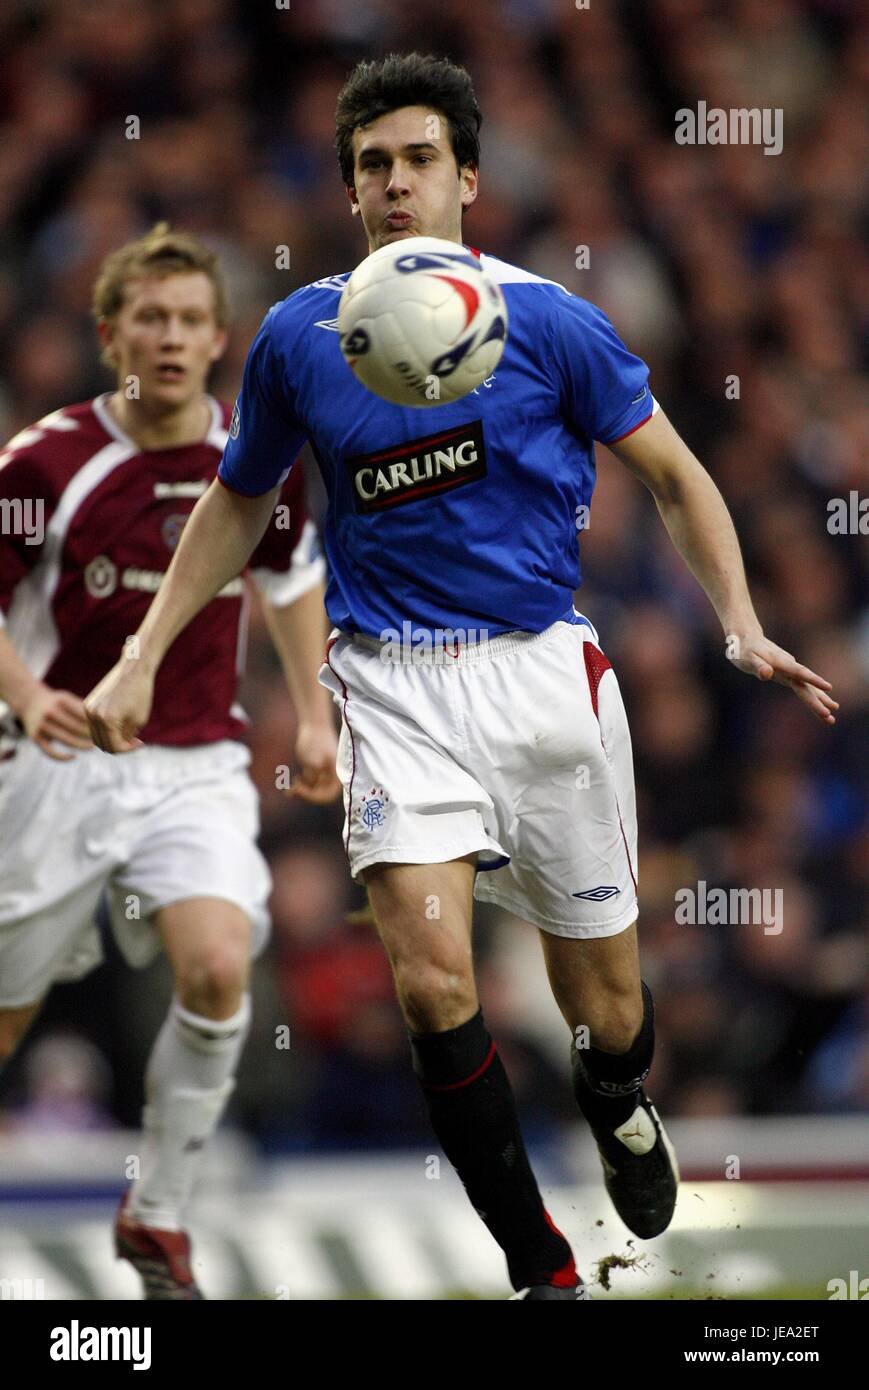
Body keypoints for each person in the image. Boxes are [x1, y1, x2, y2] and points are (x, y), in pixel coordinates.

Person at [84, 57, 838, 1301]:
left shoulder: (547, 320)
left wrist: (739, 623)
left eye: (417, 159)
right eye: (372, 165)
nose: (393, 184)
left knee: (604, 1003)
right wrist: (139, 652)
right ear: (350, 193)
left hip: (544, 680)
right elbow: (235, 504)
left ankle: (612, 1091)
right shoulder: (297, 339)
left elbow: (675, 474)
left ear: (466, 180)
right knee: (429, 979)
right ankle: (539, 1267)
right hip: (393, 686)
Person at [0, 223, 340, 1299]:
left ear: (219, 337)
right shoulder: (45, 461)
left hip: (193, 760)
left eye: (192, 319)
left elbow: (287, 577)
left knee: (217, 965)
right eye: (150, 316)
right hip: (54, 766)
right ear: (112, 334)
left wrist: (317, 713)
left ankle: (158, 1214)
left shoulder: (255, 456)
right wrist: (27, 694)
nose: (172, 336)